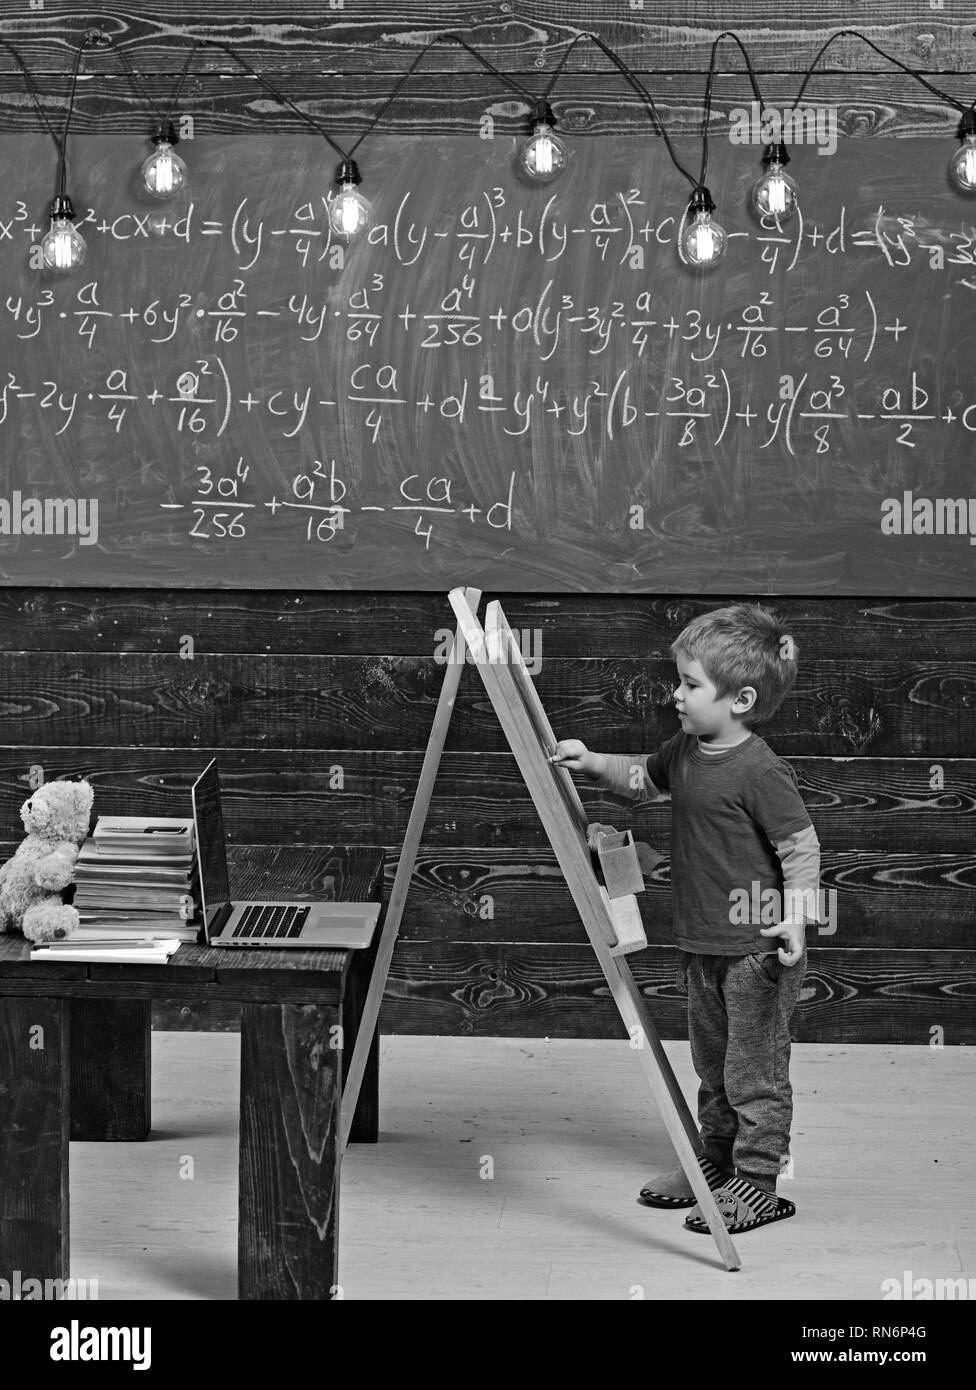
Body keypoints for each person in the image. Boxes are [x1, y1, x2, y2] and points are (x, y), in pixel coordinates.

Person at [551, 604, 820, 1235]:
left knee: (755, 1072)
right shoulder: (688, 750)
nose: (676, 693)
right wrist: (591, 762)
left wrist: (797, 919)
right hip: (702, 944)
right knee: (713, 1062)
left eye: (691, 684)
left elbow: (801, 846)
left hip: (757, 947)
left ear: (740, 698)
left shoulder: (760, 768)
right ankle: (717, 1164)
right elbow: (642, 778)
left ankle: (757, 1184)